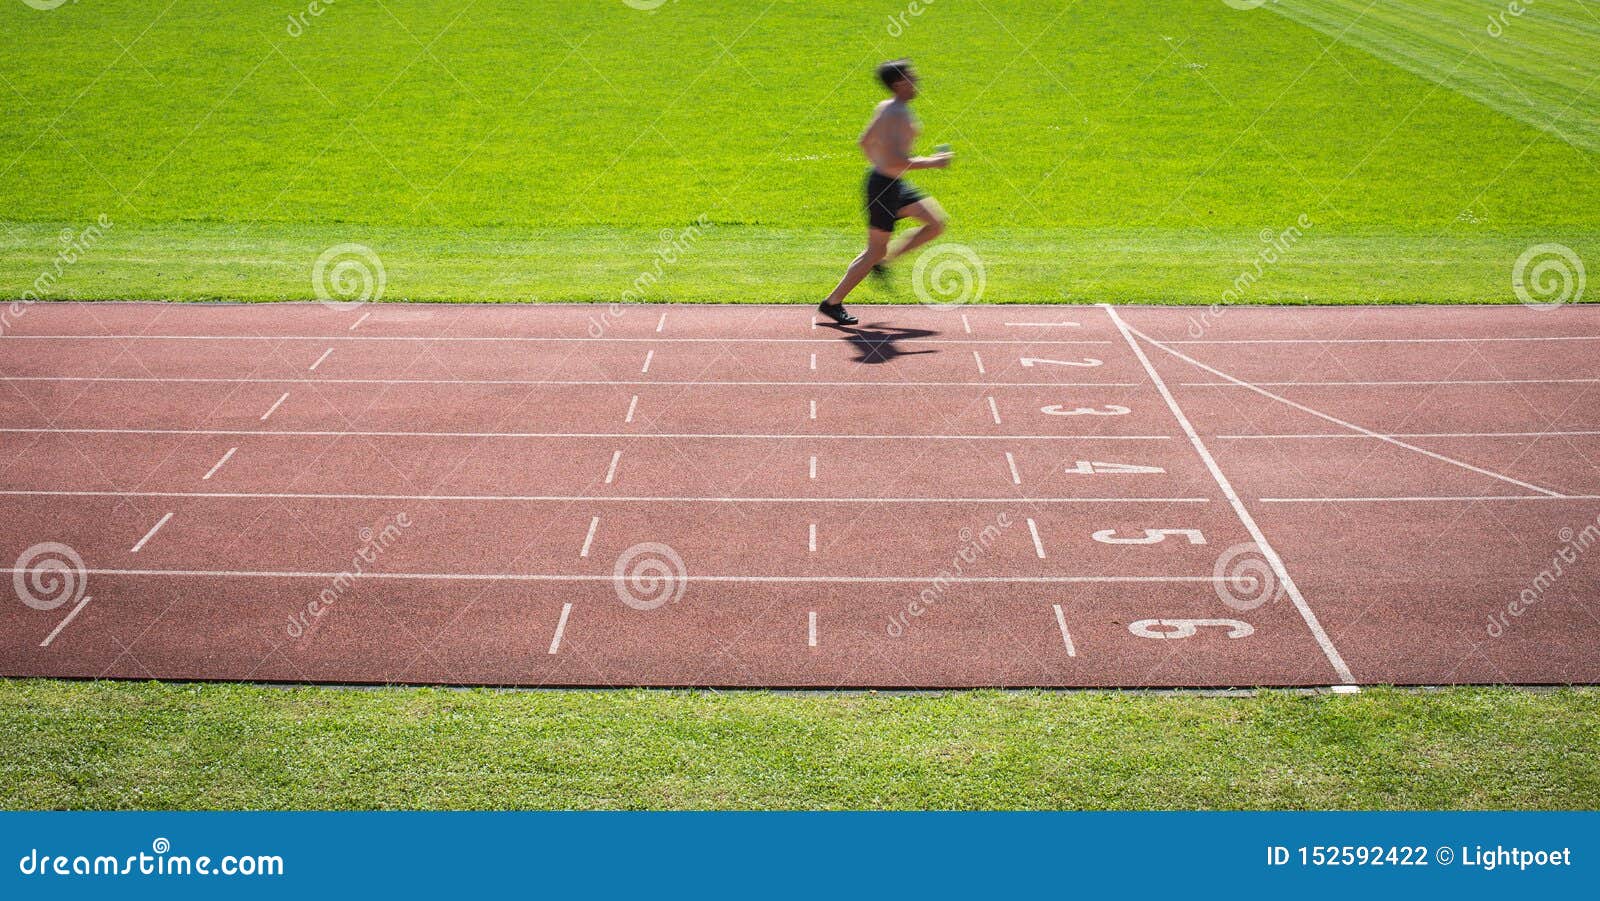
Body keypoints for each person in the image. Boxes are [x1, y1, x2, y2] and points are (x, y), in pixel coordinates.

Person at [818, 58, 953, 326]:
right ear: (899, 82)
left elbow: (865, 142)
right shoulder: (894, 114)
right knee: (873, 251)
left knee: (936, 223)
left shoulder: (889, 107)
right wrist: (933, 162)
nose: (917, 81)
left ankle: (884, 262)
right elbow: (895, 161)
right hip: (884, 187)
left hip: (893, 184)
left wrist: (880, 165)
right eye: (912, 76)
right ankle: (832, 303)